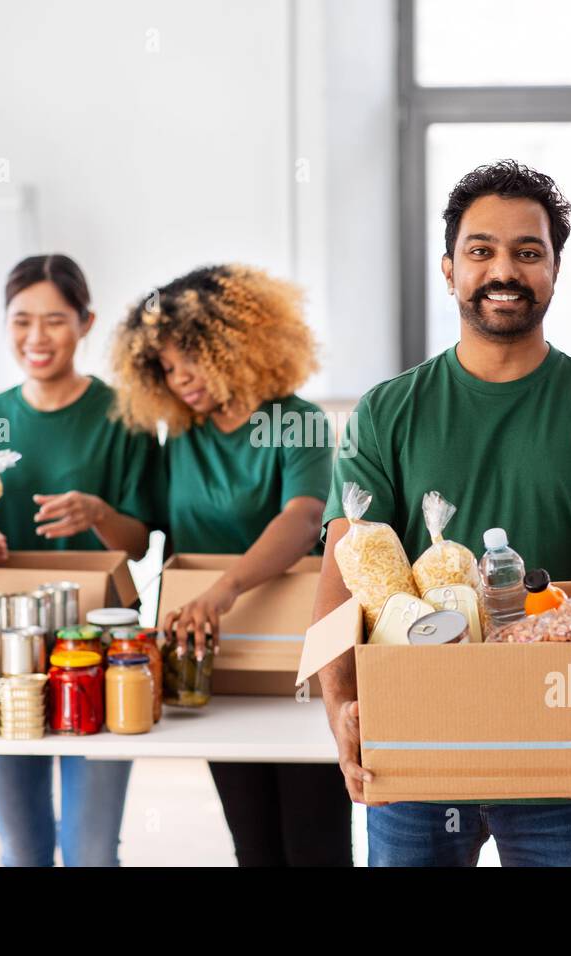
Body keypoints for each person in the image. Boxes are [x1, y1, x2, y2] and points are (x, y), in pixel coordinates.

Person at [312, 161, 571, 867]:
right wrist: (342, 714)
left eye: (527, 252)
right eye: (481, 251)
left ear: (555, 270)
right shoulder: (387, 413)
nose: (503, 270)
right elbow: (341, 583)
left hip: (560, 748)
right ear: (449, 270)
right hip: (414, 745)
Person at [112, 263, 352, 866]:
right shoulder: (184, 436)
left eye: (189, 356)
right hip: (214, 657)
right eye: (165, 367)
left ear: (233, 342)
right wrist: (97, 511)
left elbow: (302, 520)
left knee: (315, 842)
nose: (179, 377)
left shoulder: (297, 420)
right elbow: (148, 533)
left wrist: (224, 589)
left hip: (296, 655)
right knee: (253, 844)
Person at [0, 253, 162, 866]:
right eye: (21, 321)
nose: (36, 338)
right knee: (22, 849)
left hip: (98, 645)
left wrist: (97, 514)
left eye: (55, 320)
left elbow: (141, 541)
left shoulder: (123, 417)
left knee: (90, 850)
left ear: (85, 322)